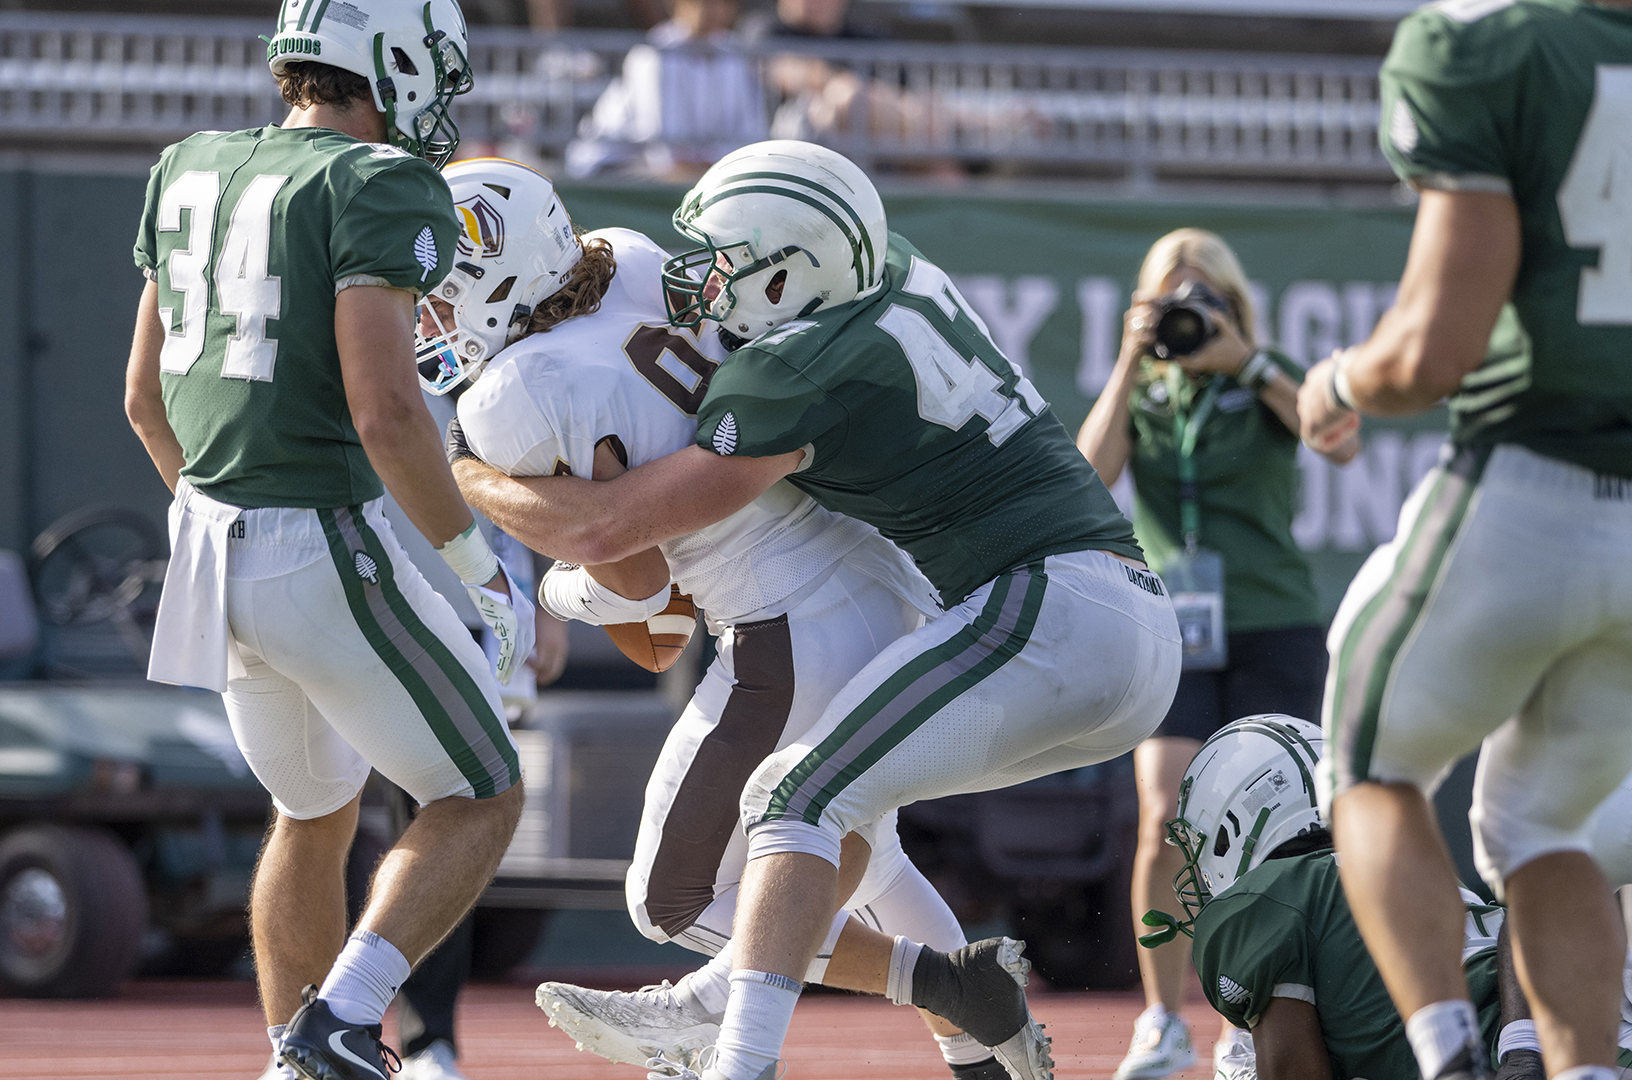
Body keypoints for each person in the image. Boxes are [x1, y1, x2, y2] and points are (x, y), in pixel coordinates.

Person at [449, 139, 1182, 1080]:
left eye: (728, 267)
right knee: (847, 831)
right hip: (1044, 605)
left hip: (1007, 610)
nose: (700, 287)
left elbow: (615, 545)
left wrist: (472, 483)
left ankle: (731, 1043)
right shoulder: (890, 267)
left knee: (727, 858)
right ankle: (974, 1036)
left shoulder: (777, 374)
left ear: (791, 275)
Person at [121, 5, 534, 1079]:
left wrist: (224, 515)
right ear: (391, 62)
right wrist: (478, 569)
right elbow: (388, 412)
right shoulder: (375, 182)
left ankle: (291, 1061)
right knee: (482, 791)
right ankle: (343, 1020)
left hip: (204, 543)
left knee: (310, 809)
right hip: (317, 536)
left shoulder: (188, 166)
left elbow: (142, 402)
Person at [1293, 3, 1632, 1079]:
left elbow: (1438, 347)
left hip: (1523, 483)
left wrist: (1336, 380)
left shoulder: (1482, 41)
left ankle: (1446, 1056)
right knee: (1542, 824)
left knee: (1365, 762)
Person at [1075, 228, 1358, 1080]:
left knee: (1285, 824)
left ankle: (1254, 1013)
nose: (1189, 317)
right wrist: (1130, 359)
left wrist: (1245, 358)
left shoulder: (1262, 375)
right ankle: (1162, 1017)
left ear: (1234, 305)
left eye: (1206, 299)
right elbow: (1089, 479)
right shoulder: (1149, 389)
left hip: (1274, 621)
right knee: (1165, 816)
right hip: (1175, 627)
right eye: (1173, 301)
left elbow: (1336, 437)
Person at [1151, 714, 1632, 1080]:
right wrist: (1521, 1047)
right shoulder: (1400, 867)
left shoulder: (1265, 899)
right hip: (1592, 1024)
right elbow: (1526, 914)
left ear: (1231, 826)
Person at [564, 0, 768, 181]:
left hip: (703, 174)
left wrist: (724, 166)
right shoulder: (651, 53)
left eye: (719, 2)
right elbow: (654, 136)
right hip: (616, 167)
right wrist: (696, 169)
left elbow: (749, 129)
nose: (710, 10)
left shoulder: (736, 55)